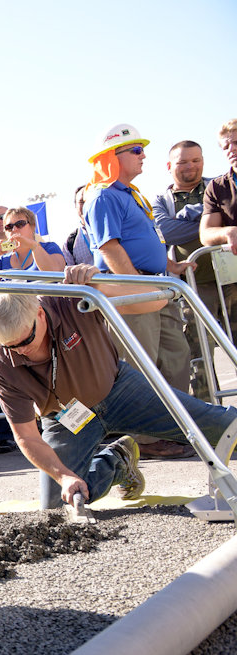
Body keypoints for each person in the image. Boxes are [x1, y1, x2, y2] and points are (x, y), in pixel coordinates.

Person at [0, 264, 237, 509]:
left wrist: (99, 286)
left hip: (120, 390)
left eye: (25, 340)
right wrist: (64, 476)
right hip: (65, 420)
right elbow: (26, 436)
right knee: (59, 504)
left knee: (223, 426)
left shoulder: (70, 299)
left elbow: (155, 301)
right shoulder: (1, 364)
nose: (20, 350)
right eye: (8, 345)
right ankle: (117, 461)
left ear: (39, 313)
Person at [83, 123, 196, 460]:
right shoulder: (103, 195)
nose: (143, 154)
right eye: (135, 150)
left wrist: (168, 266)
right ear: (112, 157)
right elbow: (109, 247)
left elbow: (143, 239)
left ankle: (173, 429)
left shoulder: (129, 193)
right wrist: (138, 286)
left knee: (176, 356)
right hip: (136, 289)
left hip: (155, 285)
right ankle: (144, 439)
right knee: (141, 364)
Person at [154, 140, 228, 402]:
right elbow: (168, 232)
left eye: (196, 160)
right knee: (200, 358)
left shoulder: (219, 187)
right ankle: (210, 417)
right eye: (183, 161)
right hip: (195, 291)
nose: (190, 166)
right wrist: (211, 221)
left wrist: (191, 216)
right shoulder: (161, 201)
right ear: (169, 166)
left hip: (232, 284)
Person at [0, 207, 67, 272]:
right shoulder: (2, 259)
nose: (14, 229)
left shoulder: (49, 248)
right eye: (9, 227)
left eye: (20, 224)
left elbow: (54, 271)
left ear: (33, 226)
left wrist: (33, 245)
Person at [201, 119, 237, 255]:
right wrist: (228, 232)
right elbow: (206, 234)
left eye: (236, 142)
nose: (231, 149)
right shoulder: (216, 187)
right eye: (226, 147)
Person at [63, 186, 94, 266]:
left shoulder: (116, 230)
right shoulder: (70, 242)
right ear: (75, 205)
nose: (86, 206)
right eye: (81, 202)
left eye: (90, 200)